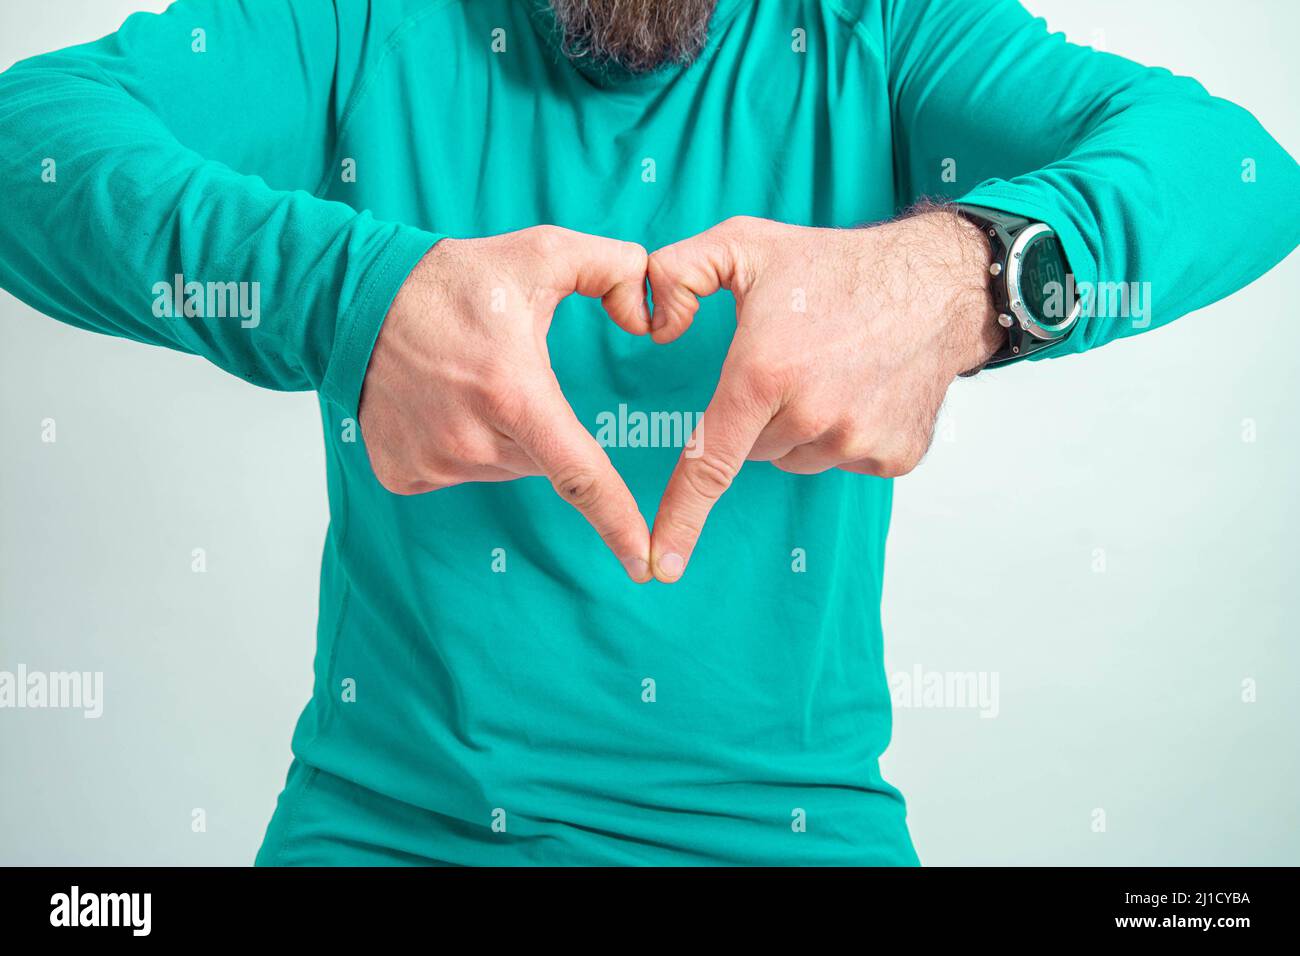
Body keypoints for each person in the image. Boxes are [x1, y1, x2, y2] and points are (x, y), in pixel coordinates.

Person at [0, 0, 1296, 866]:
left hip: (797, 833)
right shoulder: (356, 19)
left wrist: (967, 278)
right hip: (383, 825)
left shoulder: (880, 27)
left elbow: (1234, 168)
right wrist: (349, 297)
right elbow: (29, 136)